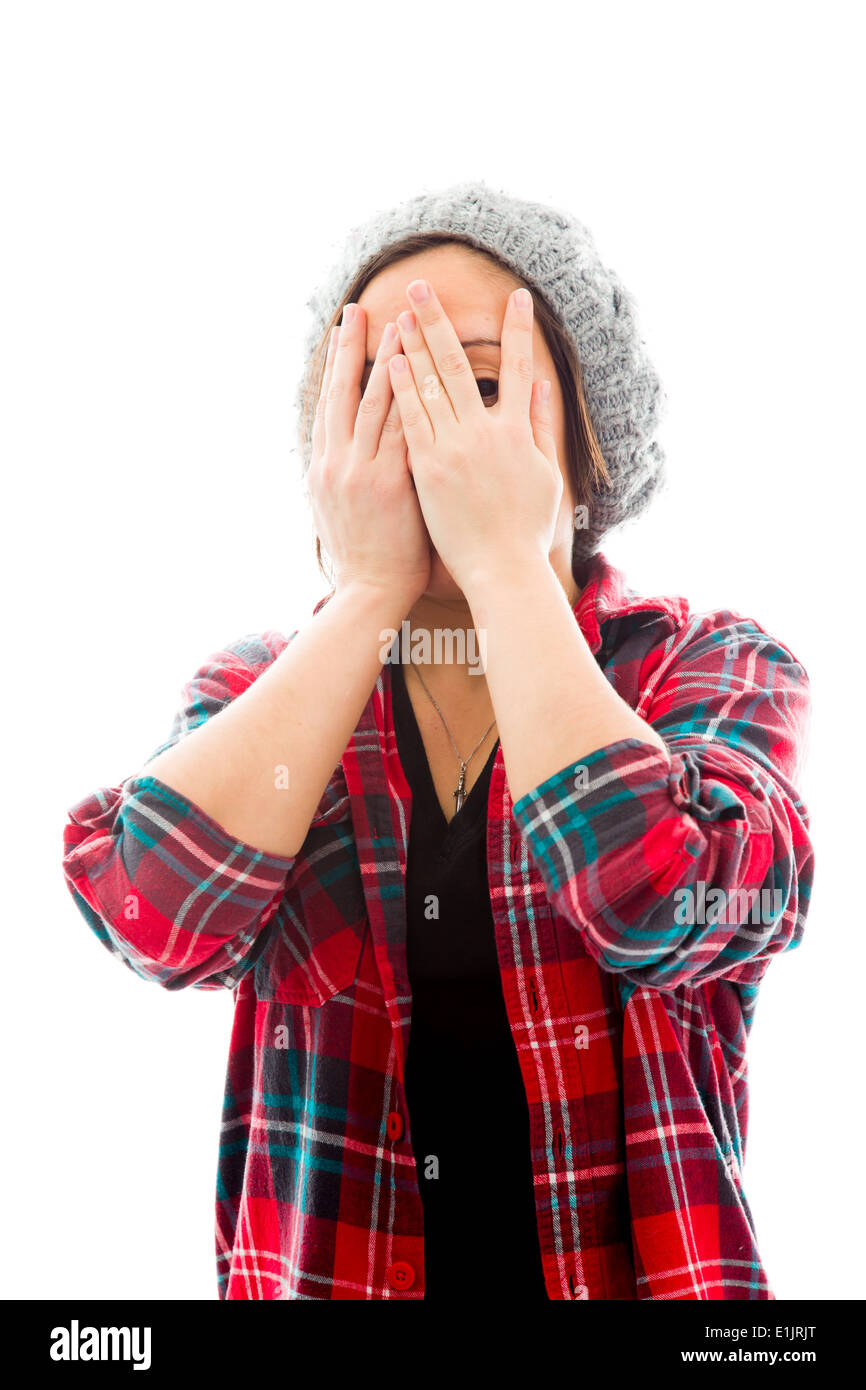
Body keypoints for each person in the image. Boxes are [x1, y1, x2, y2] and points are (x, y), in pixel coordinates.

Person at [62, 180, 814, 1301]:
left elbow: (668, 898)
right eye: (379, 394)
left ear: (589, 439)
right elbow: (150, 916)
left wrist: (509, 565)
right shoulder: (260, 691)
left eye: (474, 384)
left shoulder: (702, 668)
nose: (430, 435)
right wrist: (370, 589)